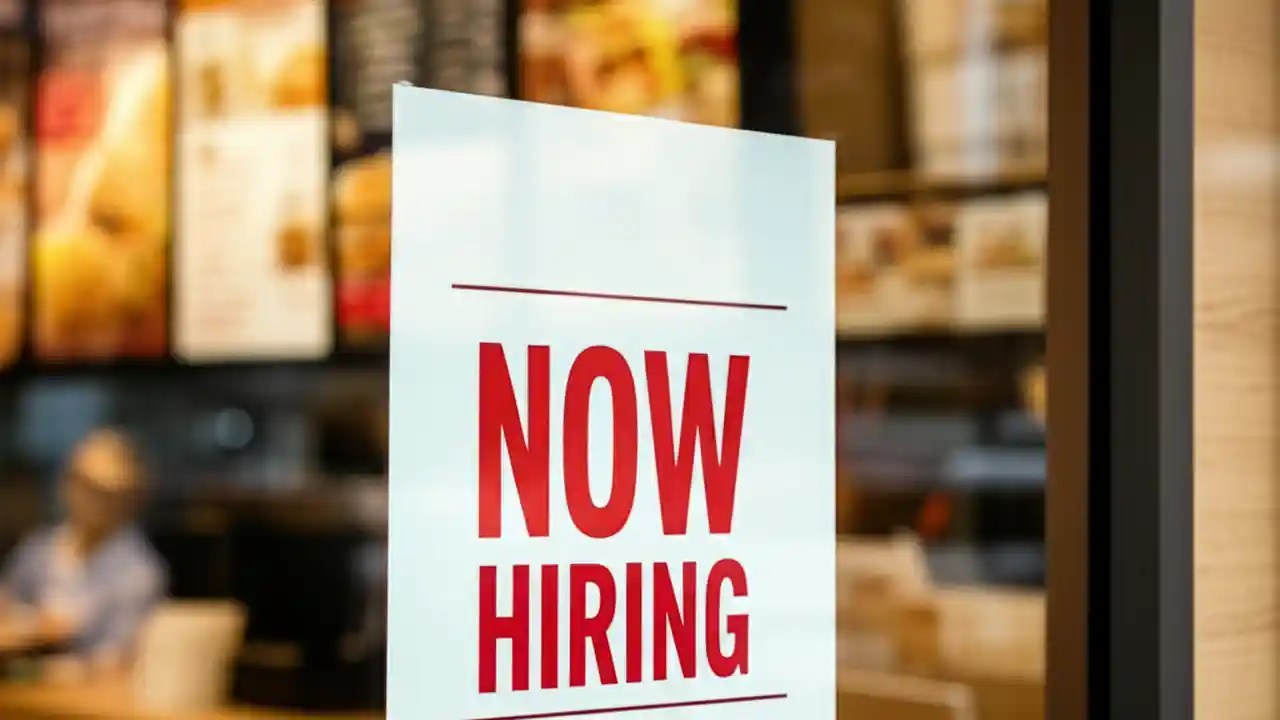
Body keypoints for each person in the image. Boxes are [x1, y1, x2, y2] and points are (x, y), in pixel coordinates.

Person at [0, 428, 167, 676]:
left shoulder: (140, 571)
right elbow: (6, 607)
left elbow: (118, 658)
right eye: (89, 487)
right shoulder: (39, 548)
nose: (99, 502)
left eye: (111, 493)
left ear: (130, 498)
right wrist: (35, 627)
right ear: (68, 485)